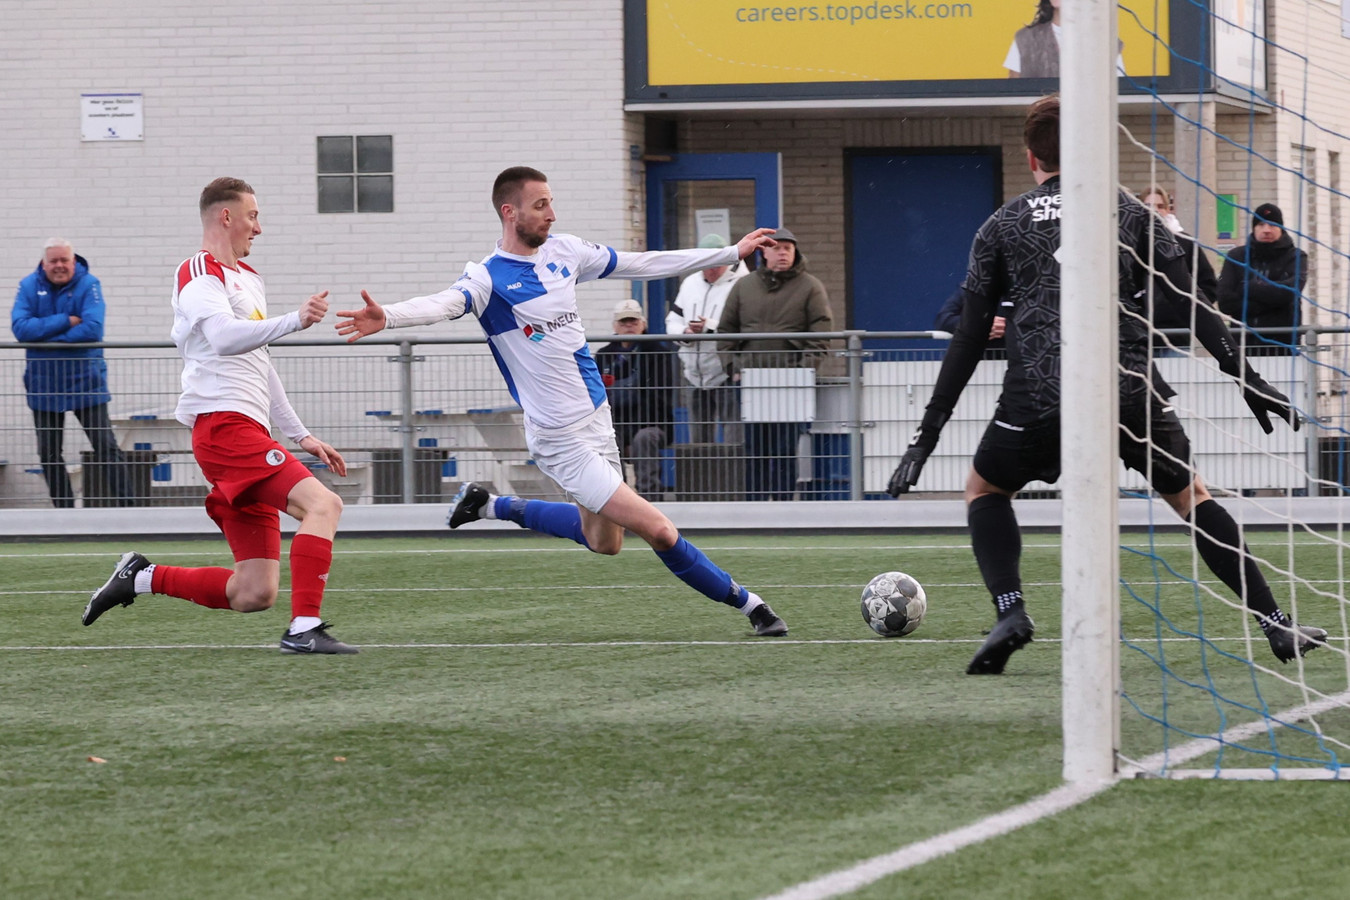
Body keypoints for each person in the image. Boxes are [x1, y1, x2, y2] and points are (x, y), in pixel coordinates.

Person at [888, 95, 1325, 674]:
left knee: (986, 491)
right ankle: (1275, 626)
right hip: (1126, 388)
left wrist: (926, 435)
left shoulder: (1002, 224)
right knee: (1193, 498)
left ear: (1030, 157)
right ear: (1088, 147)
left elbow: (969, 337)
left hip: (1039, 393)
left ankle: (1011, 612)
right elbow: (1191, 303)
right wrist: (1246, 376)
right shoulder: (1129, 213)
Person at [335, 165, 789, 636]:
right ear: (510, 213)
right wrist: (386, 316)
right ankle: (752, 606)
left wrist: (729, 252)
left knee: (605, 542)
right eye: (540, 205)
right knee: (657, 528)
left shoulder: (566, 252)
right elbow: (441, 304)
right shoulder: (488, 280)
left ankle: (492, 505)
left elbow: (642, 262)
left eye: (551, 202)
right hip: (559, 437)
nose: (551, 213)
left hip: (597, 419)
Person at [82, 177, 355, 655]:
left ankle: (141, 577)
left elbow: (259, 363)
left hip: (246, 430)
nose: (259, 227)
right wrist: (296, 319)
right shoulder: (197, 271)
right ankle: (304, 628)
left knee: (253, 592)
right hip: (224, 429)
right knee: (324, 505)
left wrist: (302, 435)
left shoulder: (250, 279)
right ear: (225, 217)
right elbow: (227, 337)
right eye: (253, 215)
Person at [11, 238, 131, 508]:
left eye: (64, 260)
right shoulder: (28, 286)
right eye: (53, 261)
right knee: (49, 453)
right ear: (44, 263)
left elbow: (92, 329)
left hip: (86, 382)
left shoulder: (90, 285)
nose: (59, 266)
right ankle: (64, 514)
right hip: (44, 385)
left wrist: (47, 339)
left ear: (74, 261)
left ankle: (130, 509)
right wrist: (66, 320)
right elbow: (20, 329)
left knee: (106, 447)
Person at [717, 226, 834, 501]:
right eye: (776, 247)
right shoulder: (744, 286)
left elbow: (822, 333)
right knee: (754, 448)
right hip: (749, 382)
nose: (783, 253)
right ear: (764, 252)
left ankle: (782, 507)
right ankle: (754, 507)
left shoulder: (810, 286)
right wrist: (734, 369)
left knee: (784, 449)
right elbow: (725, 332)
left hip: (790, 382)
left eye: (788, 248)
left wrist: (804, 370)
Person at [665, 233, 745, 444]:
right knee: (699, 439)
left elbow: (742, 326)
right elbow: (672, 320)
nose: (712, 269)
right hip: (693, 374)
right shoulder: (690, 283)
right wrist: (685, 333)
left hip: (726, 372)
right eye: (707, 263)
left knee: (733, 436)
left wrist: (708, 327)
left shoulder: (741, 285)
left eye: (717, 263)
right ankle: (701, 476)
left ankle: (732, 476)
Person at [595, 299, 677, 501]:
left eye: (633, 322)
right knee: (607, 438)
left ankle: (650, 498)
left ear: (643, 323)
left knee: (643, 438)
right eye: (624, 322)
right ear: (615, 326)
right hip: (617, 424)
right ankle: (616, 497)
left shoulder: (658, 352)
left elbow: (660, 397)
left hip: (653, 423)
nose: (629, 326)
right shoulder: (603, 355)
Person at [1217, 202, 1308, 356]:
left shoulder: (1296, 257)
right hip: (1243, 346)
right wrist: (1272, 301)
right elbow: (1225, 302)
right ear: (1254, 228)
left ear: (1281, 228)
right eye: (1260, 224)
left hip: (1283, 347)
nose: (1266, 230)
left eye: (1272, 224)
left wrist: (1248, 288)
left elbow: (1289, 292)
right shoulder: (1236, 257)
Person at [1138, 185, 1219, 352]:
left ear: (1168, 210)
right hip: (1138, 336)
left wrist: (1184, 313)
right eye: (1148, 206)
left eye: (1160, 206)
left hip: (1176, 337)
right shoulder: (1130, 243)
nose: (1155, 211)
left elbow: (1208, 285)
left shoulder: (1185, 243)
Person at [1004, 0, 1124, 79]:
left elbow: (1120, 92)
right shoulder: (1026, 38)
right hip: (1042, 116)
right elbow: (1014, 92)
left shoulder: (1104, 40)